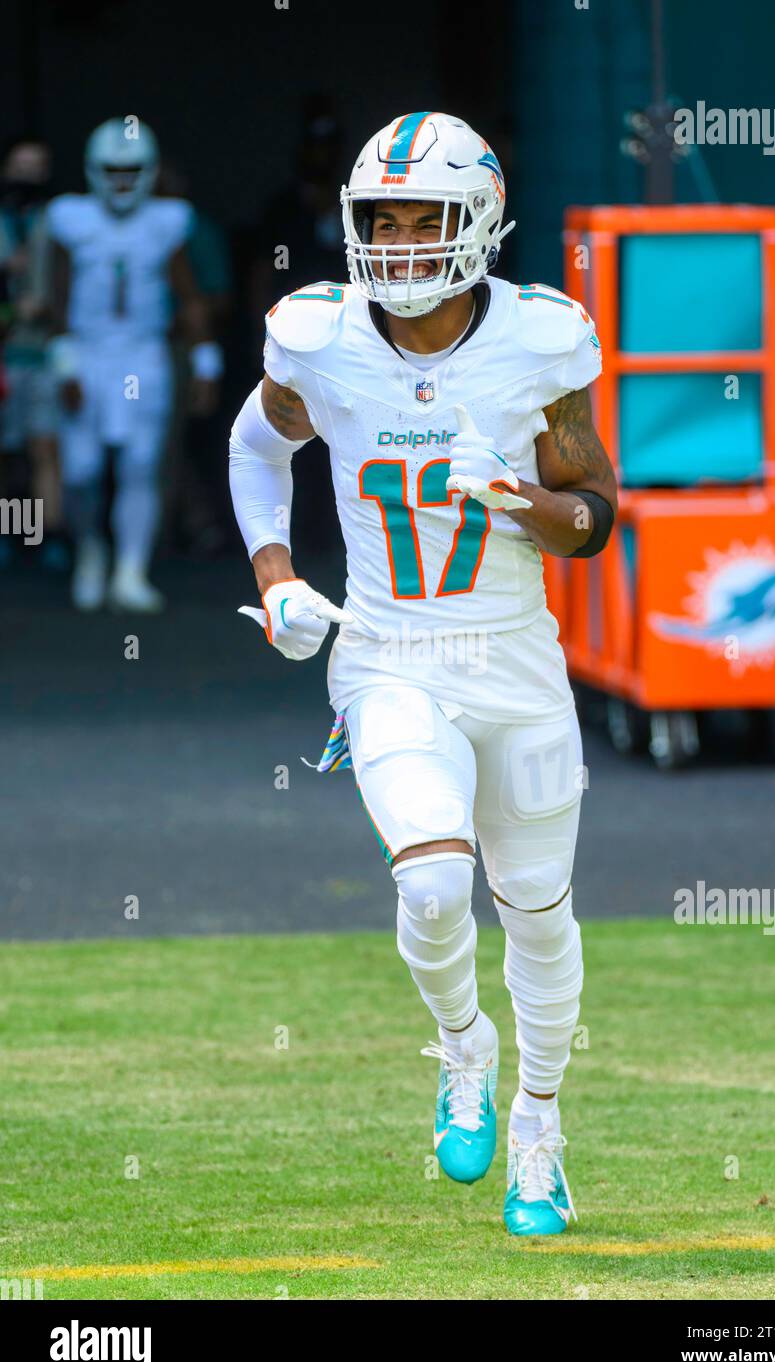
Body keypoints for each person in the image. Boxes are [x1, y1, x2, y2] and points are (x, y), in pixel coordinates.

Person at [229, 113, 617, 1236]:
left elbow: (593, 516)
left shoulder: (539, 341)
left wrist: (520, 501)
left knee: (536, 913)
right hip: (389, 657)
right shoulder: (318, 336)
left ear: (478, 226)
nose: (397, 246)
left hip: (515, 662)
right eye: (379, 223)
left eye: (423, 222)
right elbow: (259, 445)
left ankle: (538, 1133)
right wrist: (276, 574)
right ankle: (462, 1050)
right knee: (434, 884)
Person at [47, 118, 221, 611]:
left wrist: (207, 362)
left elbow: (189, 297)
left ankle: (130, 569)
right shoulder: (70, 217)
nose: (122, 182)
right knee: (80, 469)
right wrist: (64, 364)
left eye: (131, 171)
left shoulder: (167, 221)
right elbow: (57, 292)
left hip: (142, 354)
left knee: (141, 464)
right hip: (87, 349)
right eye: (112, 171)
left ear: (148, 171)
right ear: (93, 170)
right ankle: (91, 550)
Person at [0, 137, 64, 569]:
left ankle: (46, 536)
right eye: (19, 166)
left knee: (45, 447)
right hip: (5, 351)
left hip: (45, 350)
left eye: (36, 167)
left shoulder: (57, 221)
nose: (28, 176)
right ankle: (9, 534)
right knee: (6, 452)